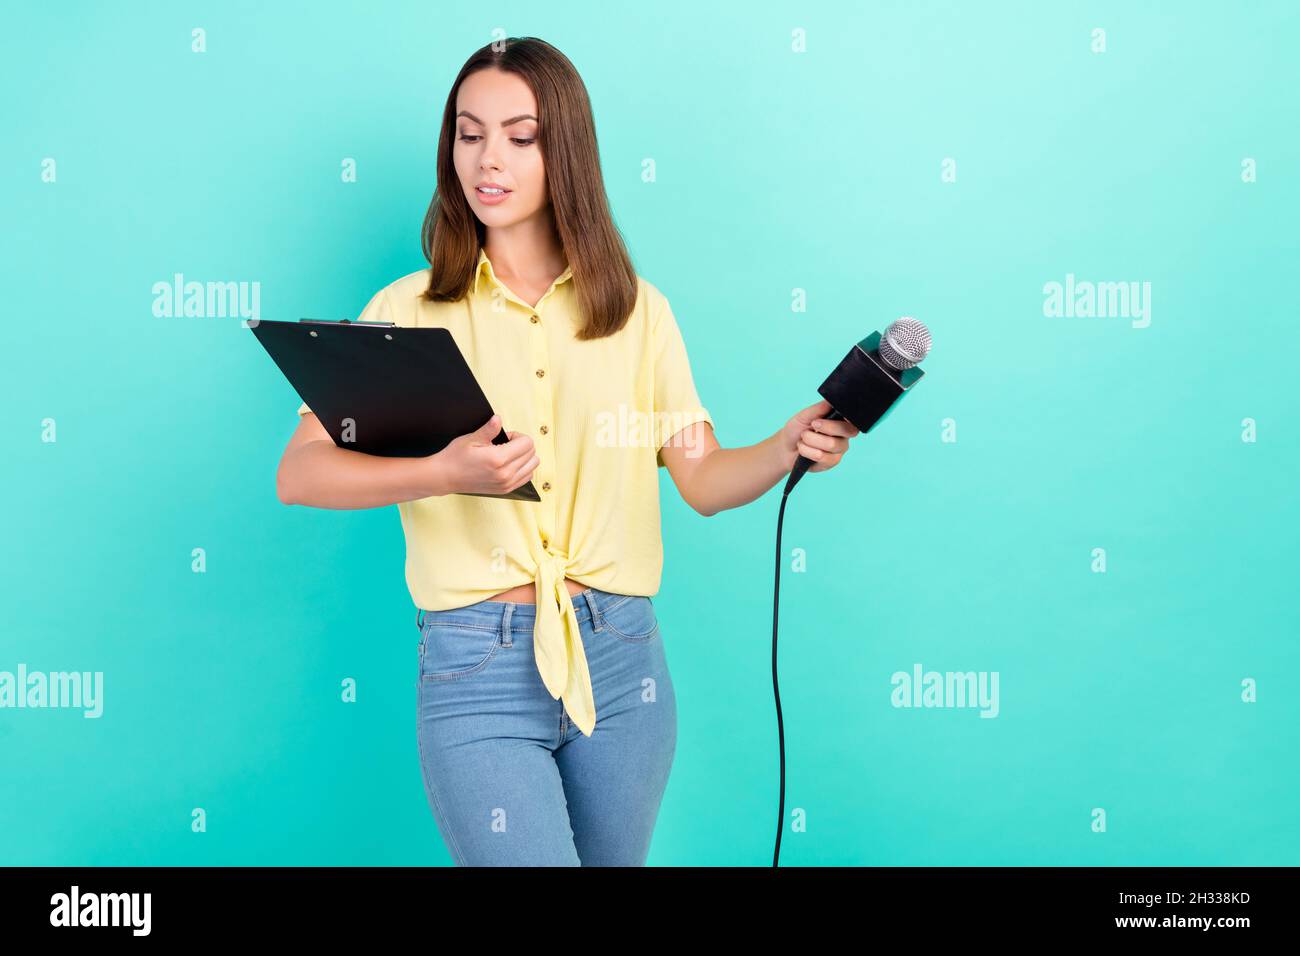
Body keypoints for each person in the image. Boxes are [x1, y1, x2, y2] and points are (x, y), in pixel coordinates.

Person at [276, 37, 860, 866]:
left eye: (521, 136)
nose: (489, 159)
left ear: (567, 151)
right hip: (478, 663)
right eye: (469, 133)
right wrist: (446, 471)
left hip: (625, 661)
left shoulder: (637, 312)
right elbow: (299, 473)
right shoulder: (406, 309)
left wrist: (784, 445)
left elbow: (700, 477)